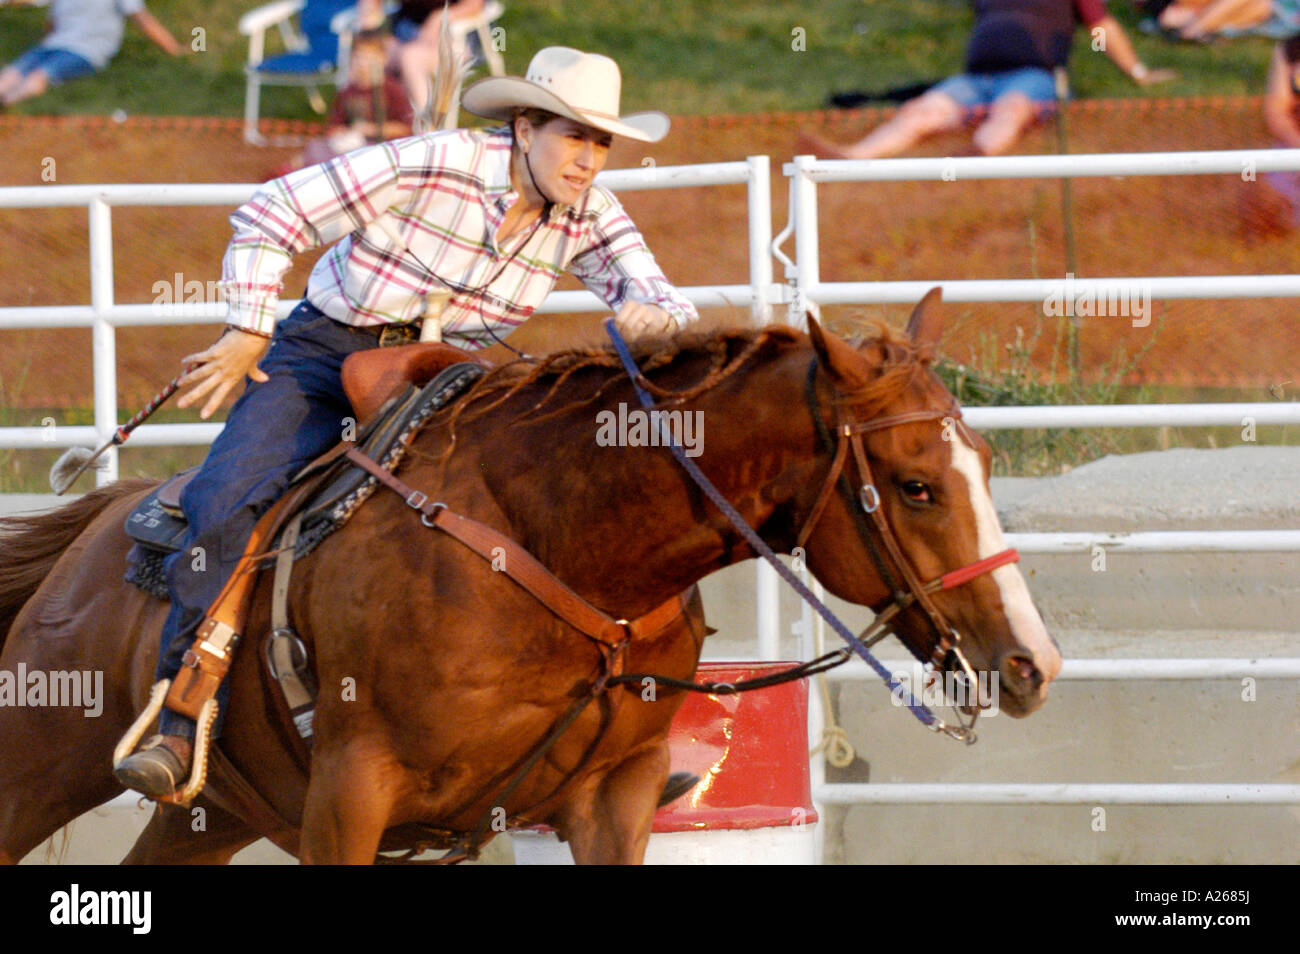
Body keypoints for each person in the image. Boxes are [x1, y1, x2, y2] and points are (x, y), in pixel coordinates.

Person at [113, 46, 698, 798]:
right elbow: (273, 209)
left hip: (450, 374)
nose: (587, 159)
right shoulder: (434, 162)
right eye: (573, 135)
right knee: (229, 496)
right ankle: (184, 710)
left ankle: (560, 747)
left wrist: (654, 318)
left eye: (601, 142)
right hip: (329, 353)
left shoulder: (591, 212)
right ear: (524, 127)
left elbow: (658, 296)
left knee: (554, 499)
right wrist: (248, 328)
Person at [797, 0, 1177, 160]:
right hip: (976, 79)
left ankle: (975, 158)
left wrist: (1137, 72)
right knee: (920, 110)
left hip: (1034, 76)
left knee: (1012, 108)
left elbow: (1101, 28)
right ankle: (851, 158)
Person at [0, 0, 184, 108]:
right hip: (54, 44)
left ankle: (7, 103)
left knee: (38, 76)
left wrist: (173, 48)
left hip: (87, 49)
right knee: (11, 73)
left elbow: (143, 20)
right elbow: (50, 21)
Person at [280, 28, 415, 174]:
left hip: (380, 153)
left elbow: (405, 129)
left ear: (383, 59)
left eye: (369, 58)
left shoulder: (392, 91)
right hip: (349, 151)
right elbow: (333, 127)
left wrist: (371, 129)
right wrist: (345, 133)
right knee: (315, 149)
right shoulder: (347, 92)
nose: (363, 63)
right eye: (359, 57)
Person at [358, 0, 490, 112]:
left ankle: (426, 128)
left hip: (456, 36)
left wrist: (438, 18)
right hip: (405, 33)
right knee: (368, 56)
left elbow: (474, 5)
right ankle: (364, 125)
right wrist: (369, 21)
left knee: (411, 58)